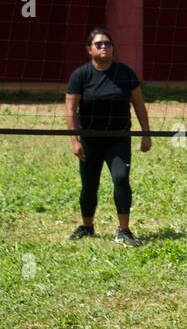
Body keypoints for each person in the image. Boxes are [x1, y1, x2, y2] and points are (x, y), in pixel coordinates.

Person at [64, 28, 151, 246]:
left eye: (108, 44)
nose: (104, 47)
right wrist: (74, 140)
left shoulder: (125, 73)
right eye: (99, 44)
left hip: (118, 138)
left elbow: (139, 105)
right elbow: (70, 109)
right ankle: (87, 226)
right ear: (89, 49)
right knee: (89, 184)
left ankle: (124, 230)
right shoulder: (80, 76)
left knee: (121, 178)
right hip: (90, 139)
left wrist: (146, 133)